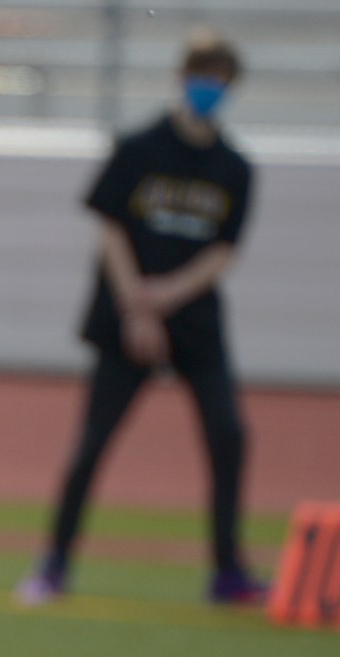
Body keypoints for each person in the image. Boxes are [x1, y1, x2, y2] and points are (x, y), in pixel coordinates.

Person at [20, 31, 262, 608]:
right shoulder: (138, 147)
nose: (209, 87)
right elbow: (112, 228)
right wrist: (136, 305)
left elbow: (222, 252)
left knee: (229, 433)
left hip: (195, 321)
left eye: (220, 78)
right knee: (93, 443)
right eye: (202, 74)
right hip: (123, 318)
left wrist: (166, 297)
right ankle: (54, 562)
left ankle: (227, 569)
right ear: (183, 77)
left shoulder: (235, 167)